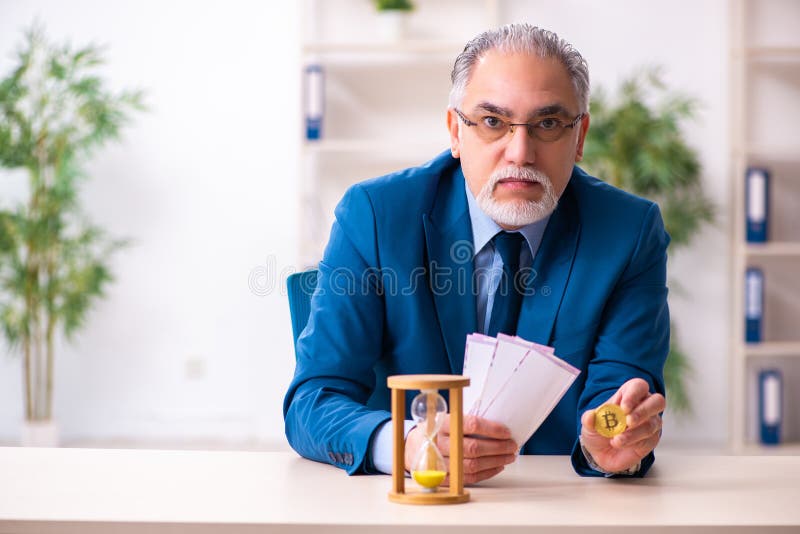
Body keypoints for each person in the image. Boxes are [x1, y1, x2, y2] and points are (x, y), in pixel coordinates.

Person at [284, 23, 669, 481]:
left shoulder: (628, 231)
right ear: (455, 130)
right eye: (492, 122)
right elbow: (313, 401)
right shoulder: (375, 216)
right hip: (411, 505)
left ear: (580, 136)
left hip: (561, 508)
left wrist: (610, 439)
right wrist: (409, 445)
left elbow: (617, 400)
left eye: (547, 124)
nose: (519, 152)